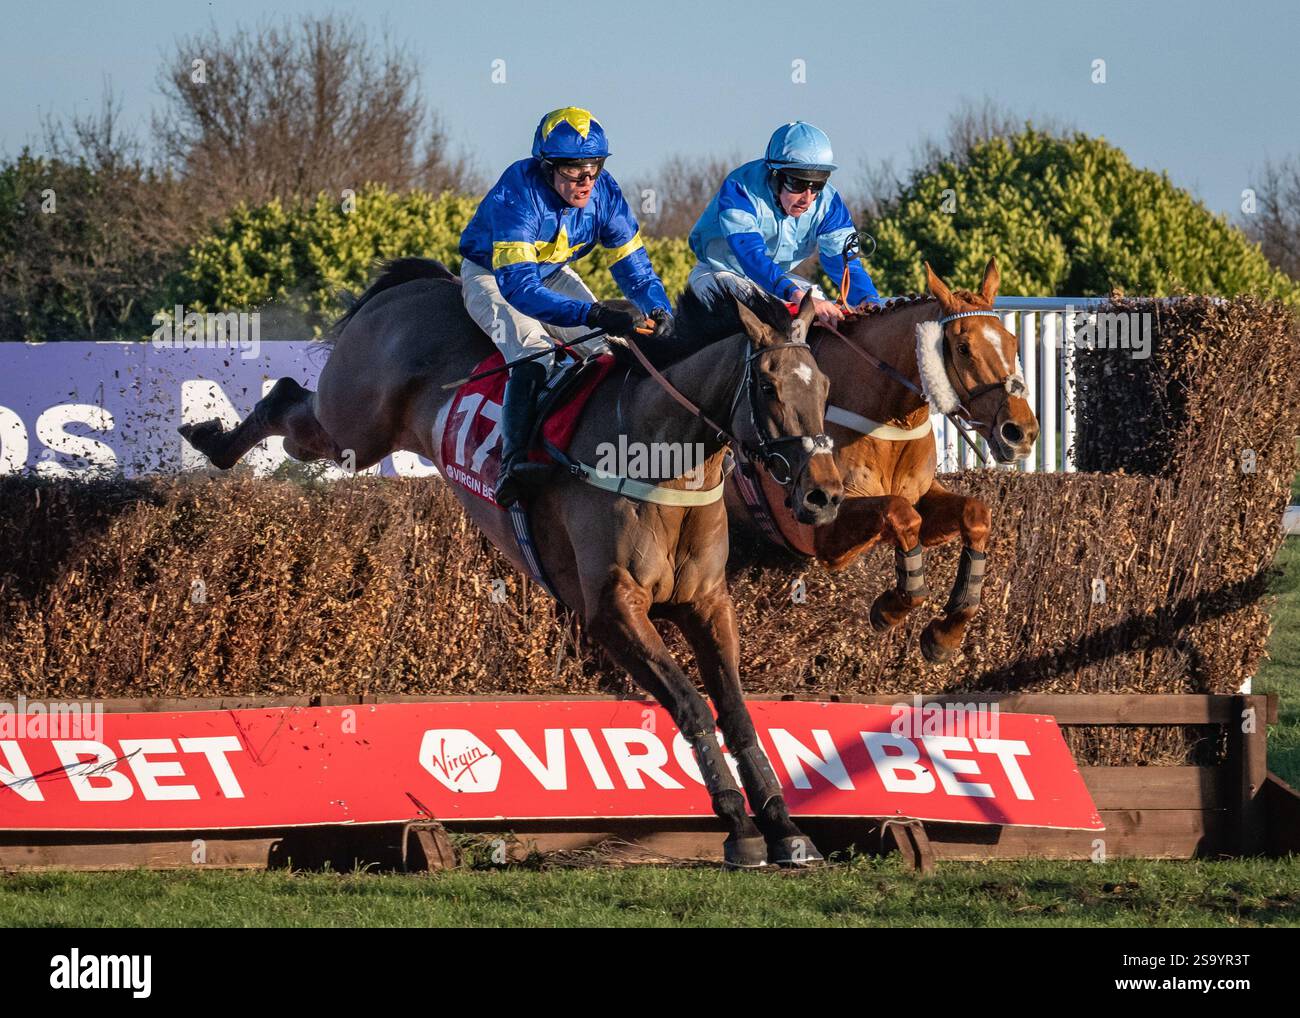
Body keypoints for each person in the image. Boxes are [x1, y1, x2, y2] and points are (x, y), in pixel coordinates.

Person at [458, 106, 673, 507]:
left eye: (594, 168)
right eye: (575, 171)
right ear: (547, 167)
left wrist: (660, 311)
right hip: (495, 277)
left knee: (613, 352)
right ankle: (514, 464)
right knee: (536, 354)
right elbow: (520, 288)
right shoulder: (517, 193)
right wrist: (590, 314)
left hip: (551, 272)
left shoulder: (605, 193)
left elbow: (636, 273)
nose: (587, 181)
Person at [687, 121, 882, 325]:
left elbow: (842, 263)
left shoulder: (829, 203)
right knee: (768, 310)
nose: (807, 198)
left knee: (825, 311)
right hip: (718, 274)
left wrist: (868, 300)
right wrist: (796, 296)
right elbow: (751, 256)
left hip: (775, 282)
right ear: (774, 175)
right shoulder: (740, 189)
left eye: (817, 185)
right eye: (797, 183)